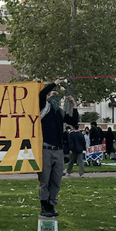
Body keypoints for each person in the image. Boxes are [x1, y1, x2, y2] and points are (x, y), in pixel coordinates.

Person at [38, 79, 79, 217]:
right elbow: (41, 94)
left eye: (56, 93)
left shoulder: (60, 113)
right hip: (45, 150)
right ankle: (44, 206)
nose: (54, 95)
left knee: (56, 180)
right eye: (51, 94)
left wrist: (74, 105)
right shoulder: (43, 109)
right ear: (47, 97)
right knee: (44, 180)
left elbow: (74, 122)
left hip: (59, 151)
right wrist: (54, 83)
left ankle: (51, 204)